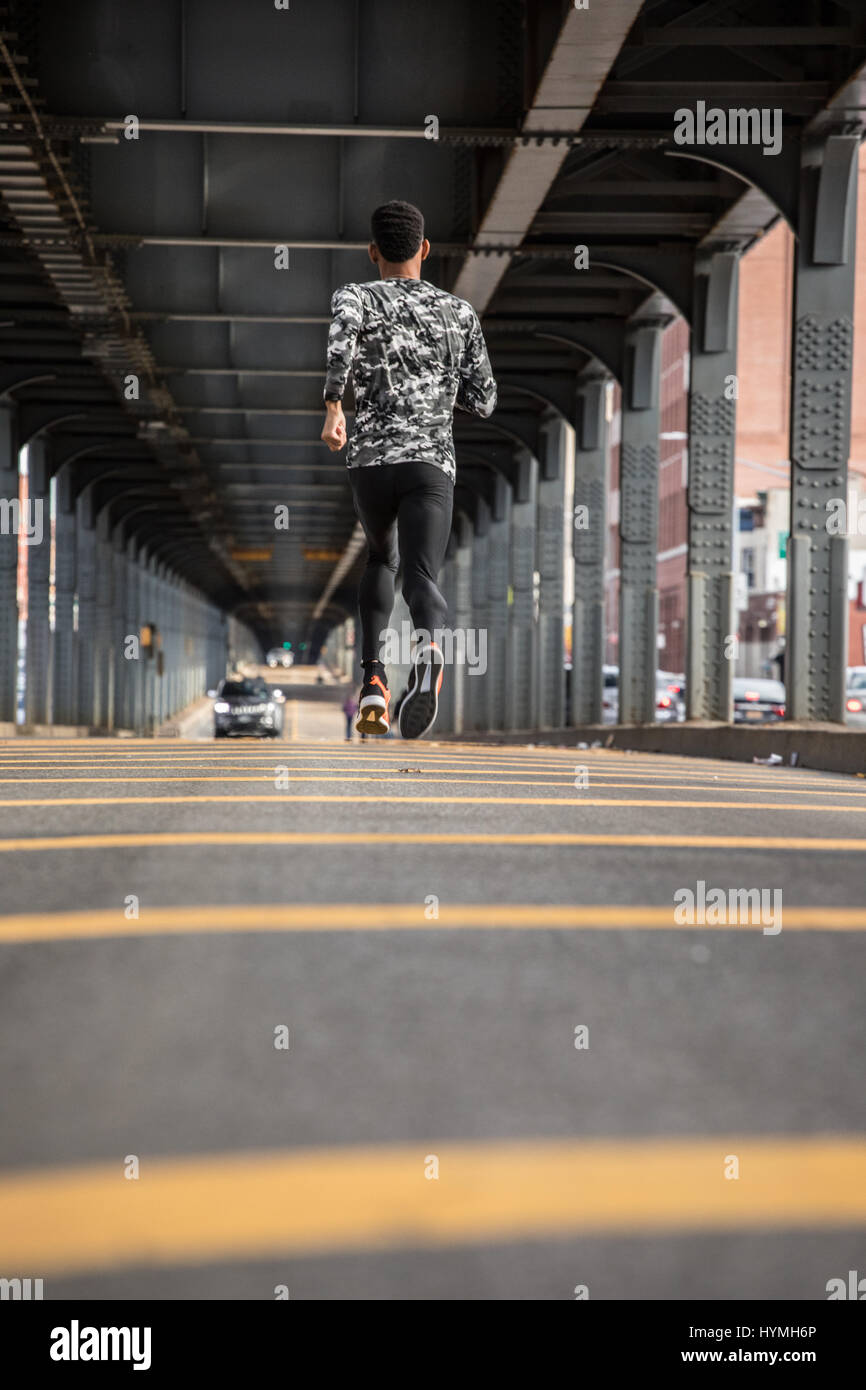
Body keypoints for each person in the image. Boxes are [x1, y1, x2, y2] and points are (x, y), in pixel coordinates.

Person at [320, 200, 496, 738]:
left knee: (380, 559)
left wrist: (334, 407)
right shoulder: (459, 313)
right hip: (429, 465)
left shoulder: (354, 296)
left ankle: (374, 682)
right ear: (425, 250)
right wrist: (440, 389)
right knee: (420, 574)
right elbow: (485, 399)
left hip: (371, 460)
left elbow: (340, 347)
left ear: (372, 252)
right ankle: (430, 653)